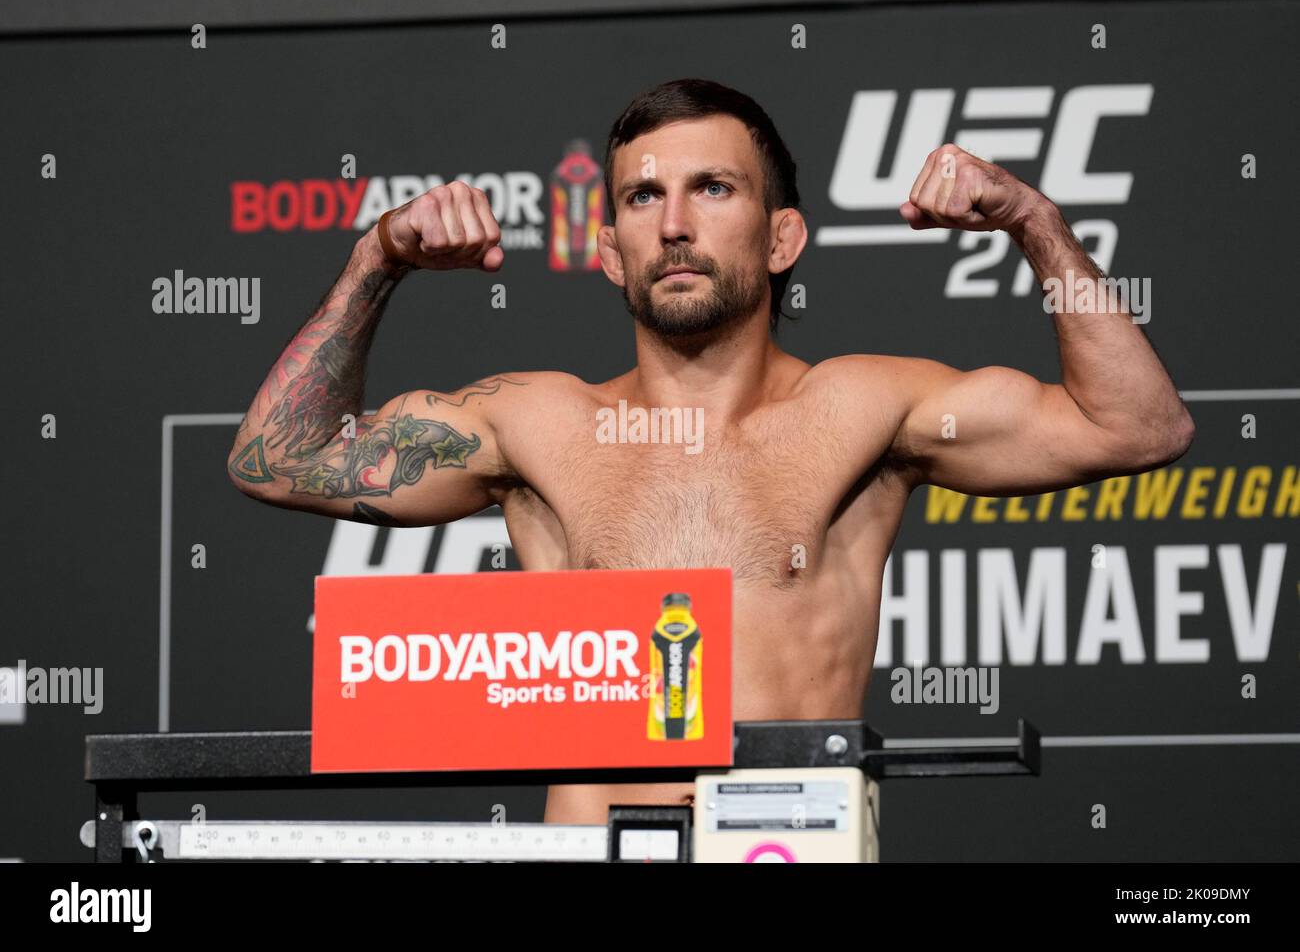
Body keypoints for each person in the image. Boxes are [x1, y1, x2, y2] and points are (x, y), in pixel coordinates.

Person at [227, 78, 1193, 824]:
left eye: (712, 188)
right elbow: (275, 455)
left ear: (782, 238)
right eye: (642, 197)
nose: (675, 223)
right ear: (609, 252)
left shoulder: (868, 409)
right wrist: (378, 258)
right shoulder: (536, 425)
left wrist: (1034, 222)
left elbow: (1138, 427)